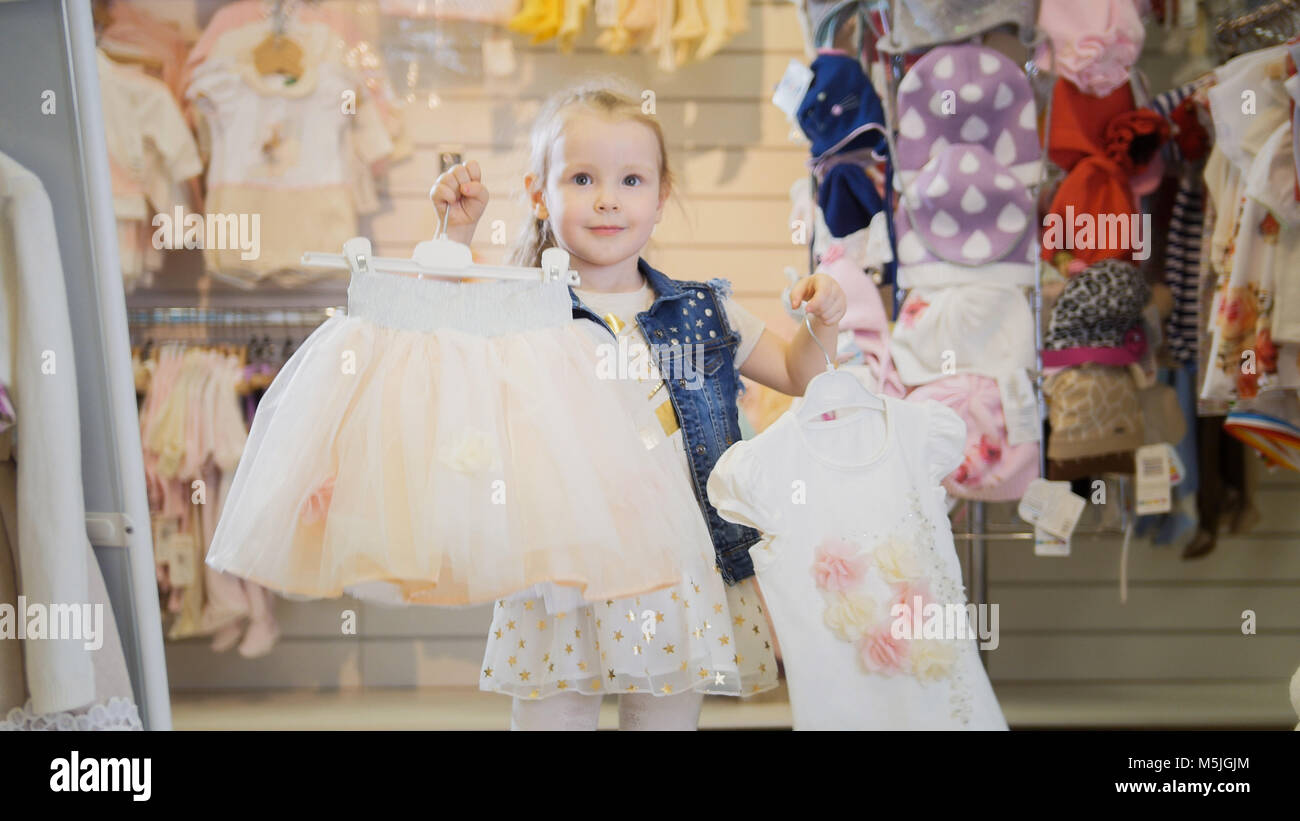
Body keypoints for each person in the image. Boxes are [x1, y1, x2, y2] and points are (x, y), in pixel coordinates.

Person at [432, 77, 847, 730]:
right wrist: (456, 233)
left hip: (673, 561)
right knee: (553, 712)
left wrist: (825, 318)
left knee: (664, 714)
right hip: (558, 557)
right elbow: (436, 332)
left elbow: (800, 371)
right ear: (539, 195)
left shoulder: (702, 310)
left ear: (661, 197)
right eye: (581, 179)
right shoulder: (518, 306)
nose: (607, 199)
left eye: (631, 180)